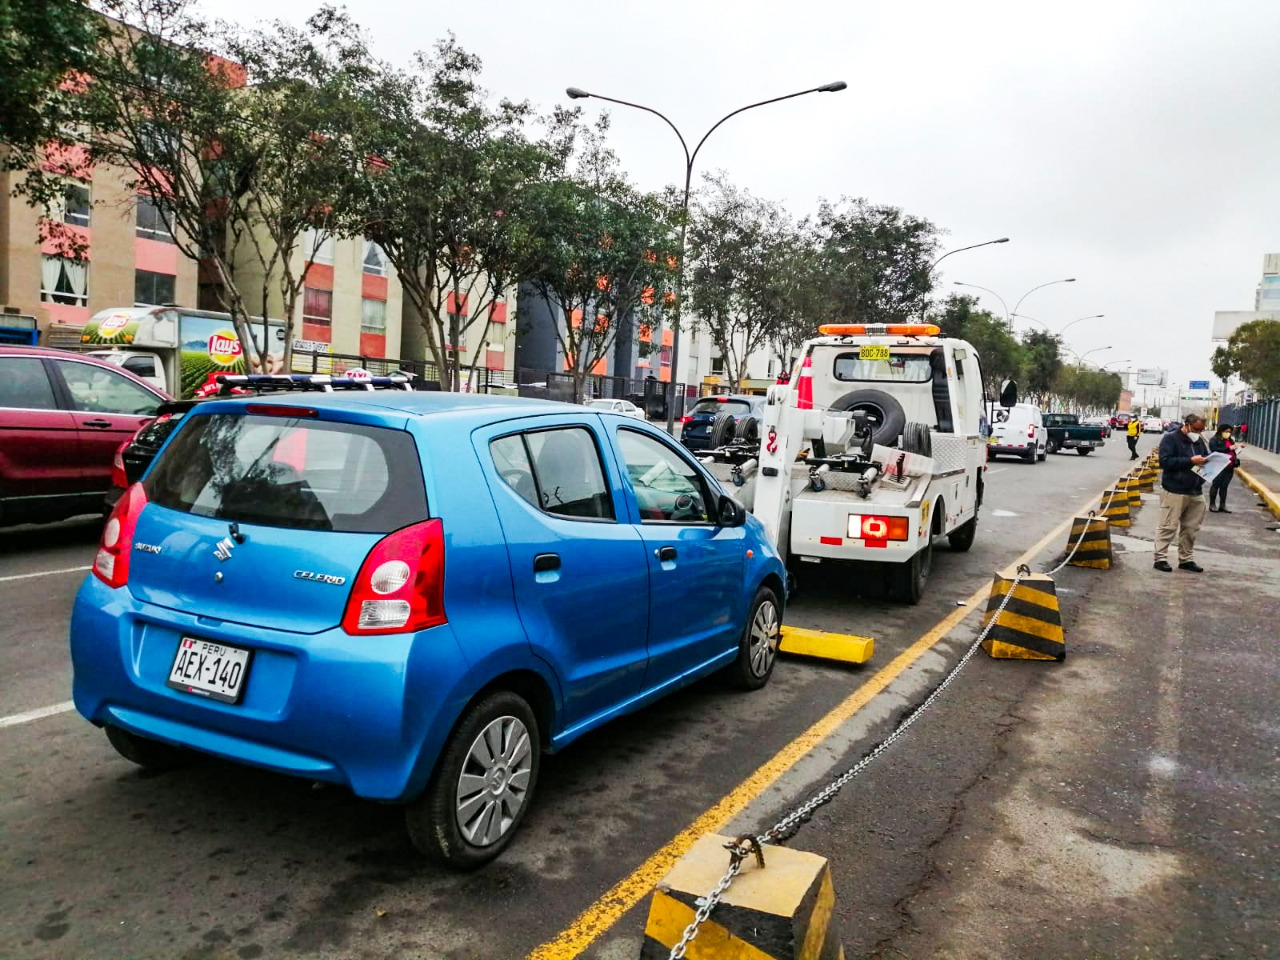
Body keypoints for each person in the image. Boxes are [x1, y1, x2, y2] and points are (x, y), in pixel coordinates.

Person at [1153, 413, 1210, 573]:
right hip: (1174, 489)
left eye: (1201, 430)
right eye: (1196, 429)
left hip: (1195, 490)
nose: (1198, 433)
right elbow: (1164, 461)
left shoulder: (1199, 441)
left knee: (1191, 528)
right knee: (1168, 526)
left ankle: (1186, 559)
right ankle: (1160, 558)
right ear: (1187, 425)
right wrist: (1190, 461)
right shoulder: (1170, 438)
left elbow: (1205, 457)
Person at [1208, 424, 1241, 513]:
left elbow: (1232, 451)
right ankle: (1212, 504)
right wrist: (1228, 448)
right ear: (1221, 431)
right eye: (1226, 431)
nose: (1228, 433)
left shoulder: (1230, 440)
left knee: (1224, 486)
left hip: (1229, 466)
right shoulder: (1214, 440)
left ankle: (1222, 505)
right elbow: (1214, 450)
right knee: (1216, 485)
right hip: (1219, 466)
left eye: (1230, 432)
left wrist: (1238, 448)